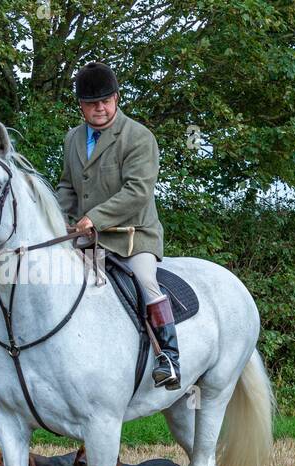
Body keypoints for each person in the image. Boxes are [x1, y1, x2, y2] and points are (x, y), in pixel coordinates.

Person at [55, 62, 179, 389]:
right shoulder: (72, 139)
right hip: (86, 237)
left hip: (133, 237)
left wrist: (94, 218)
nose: (100, 108)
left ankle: (168, 355)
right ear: (80, 105)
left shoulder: (138, 137)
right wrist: (57, 222)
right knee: (38, 272)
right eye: (92, 103)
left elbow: (137, 191)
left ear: (116, 98)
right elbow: (68, 186)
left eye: (106, 101)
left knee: (146, 281)